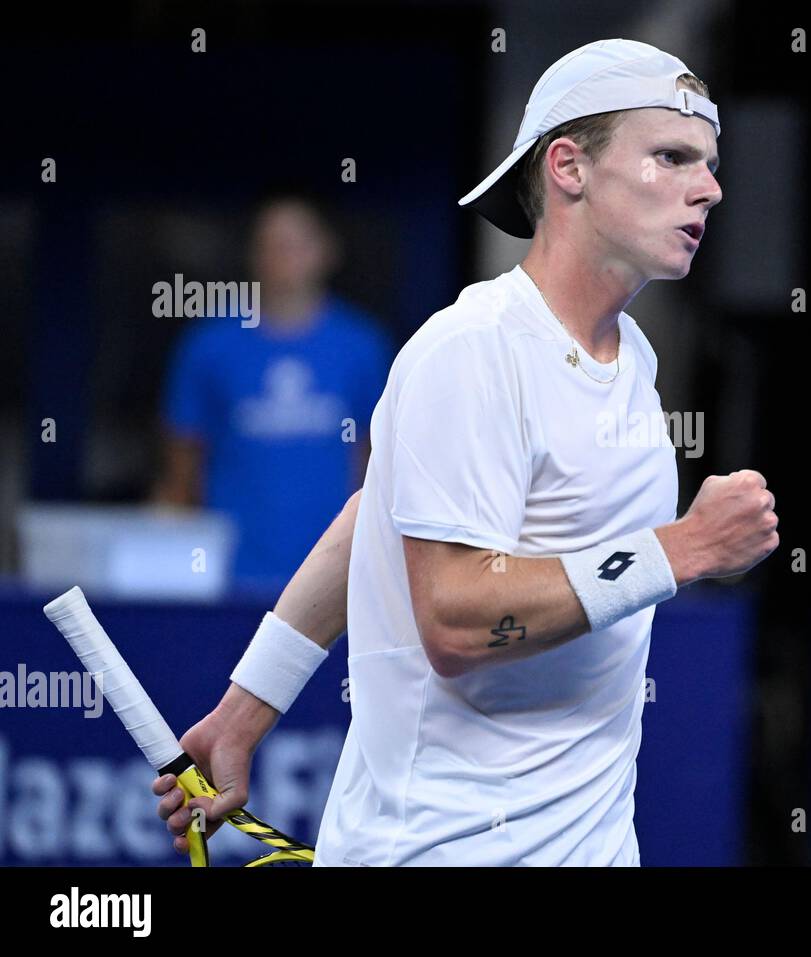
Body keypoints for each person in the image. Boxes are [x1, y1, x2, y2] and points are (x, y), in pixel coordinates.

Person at [153, 38, 777, 866]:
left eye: (710, 162)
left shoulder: (632, 357)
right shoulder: (472, 349)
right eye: (672, 156)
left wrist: (244, 710)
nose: (710, 188)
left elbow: (377, 513)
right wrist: (683, 549)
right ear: (569, 168)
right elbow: (453, 615)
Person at [155, 195, 391, 591]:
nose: (286, 257)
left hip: (332, 574)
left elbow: (374, 463)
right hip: (229, 573)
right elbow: (182, 464)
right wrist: (183, 561)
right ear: (254, 254)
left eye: (298, 243)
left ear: (327, 251)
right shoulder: (210, 345)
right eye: (273, 245)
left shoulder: (360, 346)